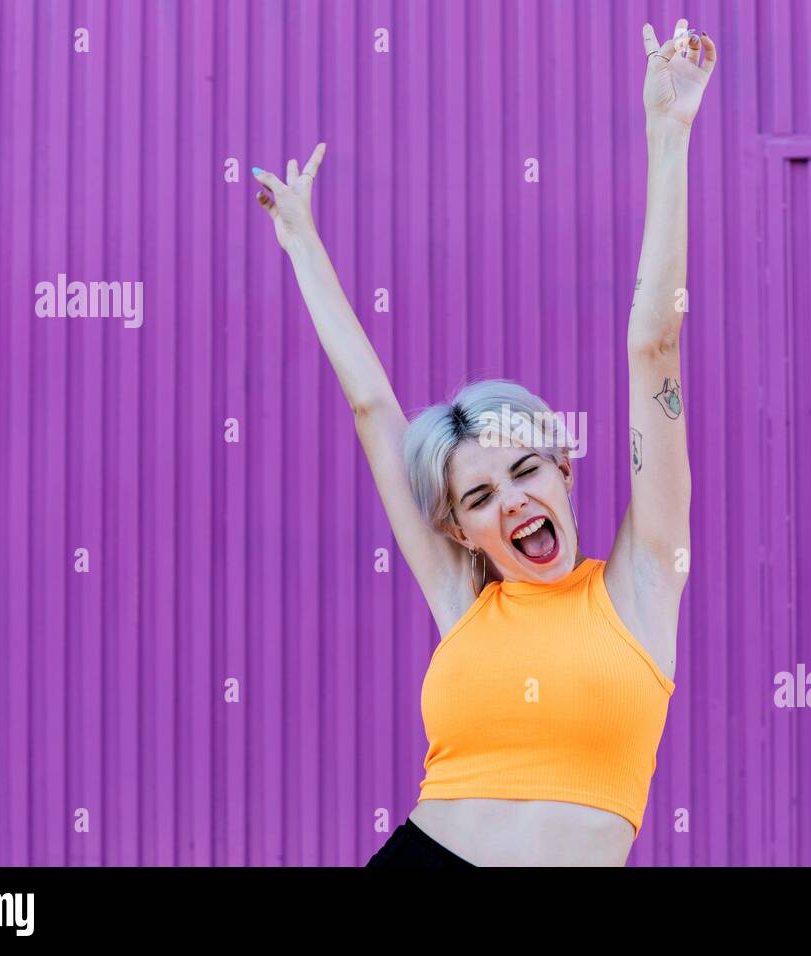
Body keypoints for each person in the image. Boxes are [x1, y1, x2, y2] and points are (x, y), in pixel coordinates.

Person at [252, 18, 717, 866]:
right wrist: (303, 246)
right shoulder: (464, 602)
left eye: (523, 470)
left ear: (563, 469)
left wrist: (669, 133)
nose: (511, 503)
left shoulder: (646, 582)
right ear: (462, 531)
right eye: (478, 497)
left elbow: (654, 345)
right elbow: (371, 406)